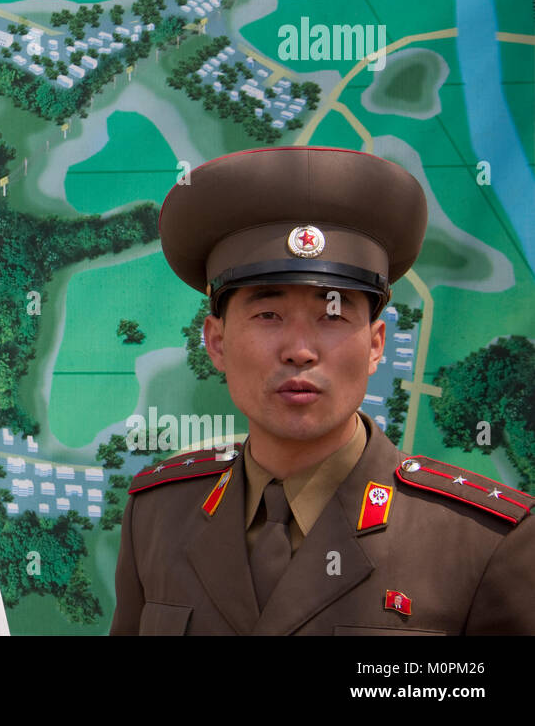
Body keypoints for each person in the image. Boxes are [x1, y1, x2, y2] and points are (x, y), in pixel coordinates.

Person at [110, 146, 535, 635]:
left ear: (376, 345)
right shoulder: (159, 517)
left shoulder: (481, 542)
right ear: (217, 342)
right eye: (267, 314)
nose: (299, 350)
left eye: (332, 314)